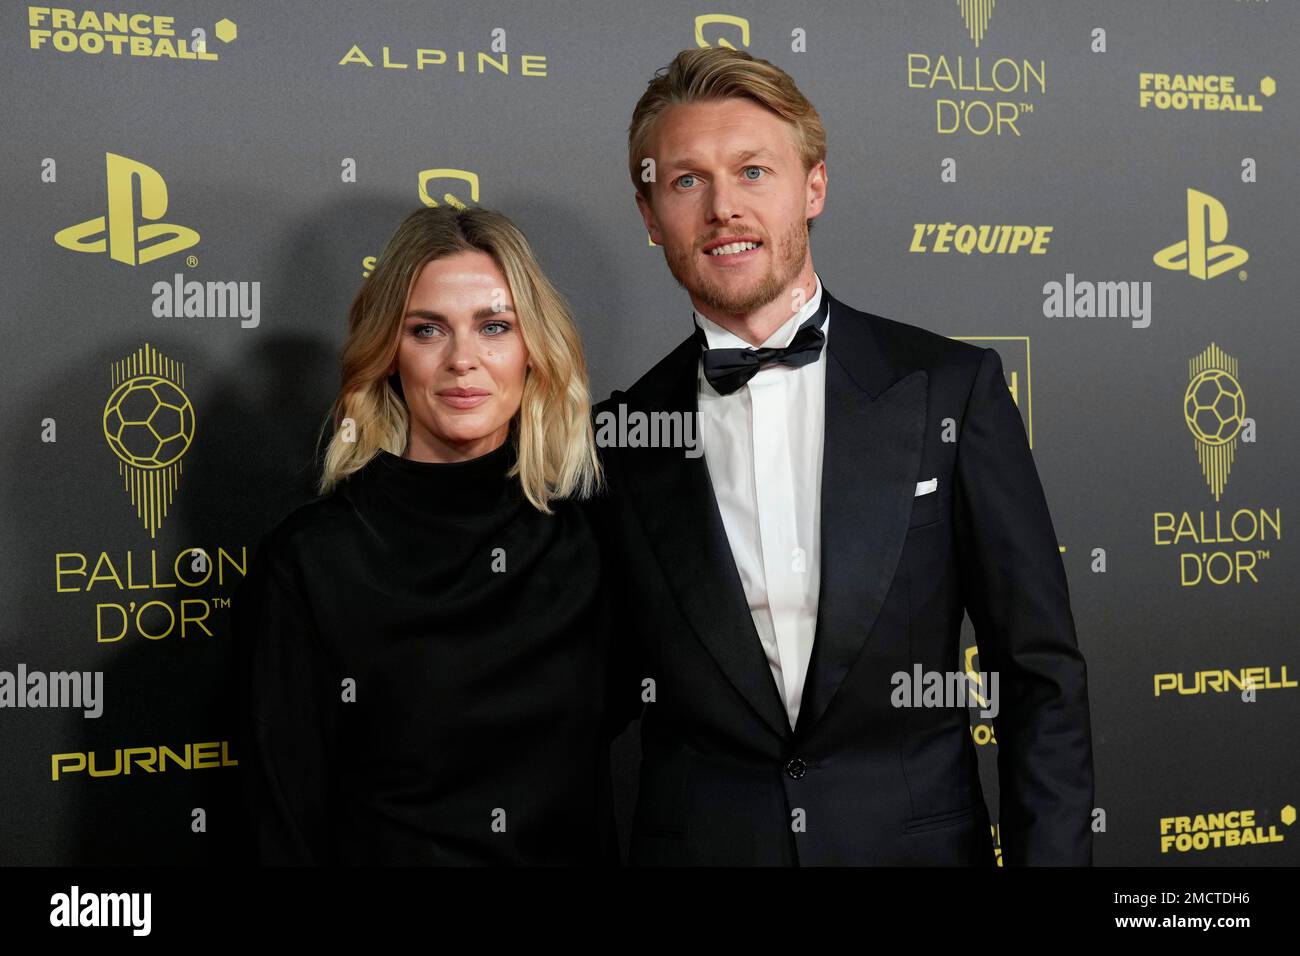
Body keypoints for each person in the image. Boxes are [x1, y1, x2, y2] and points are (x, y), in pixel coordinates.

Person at [596, 47, 1095, 865]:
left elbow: (1038, 672)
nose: (724, 207)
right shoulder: (616, 439)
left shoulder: (949, 389)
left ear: (813, 186)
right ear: (651, 215)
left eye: (754, 171)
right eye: (687, 181)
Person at [233, 205, 615, 865]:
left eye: (494, 327)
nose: (462, 360)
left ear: (533, 351)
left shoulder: (591, 547)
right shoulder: (312, 561)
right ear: (388, 353)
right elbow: (283, 821)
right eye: (428, 330)